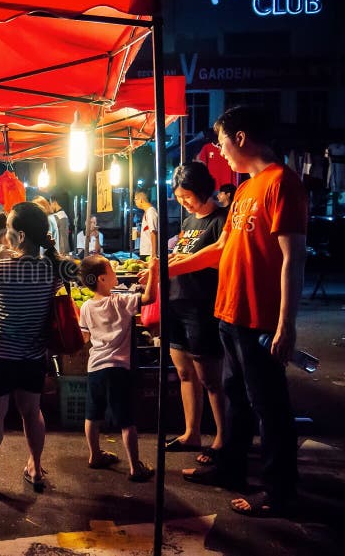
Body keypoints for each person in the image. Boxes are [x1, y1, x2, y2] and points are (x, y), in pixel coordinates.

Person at [171, 105, 307, 517]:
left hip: (259, 318)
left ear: (241, 137)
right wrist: (167, 267)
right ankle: (231, 468)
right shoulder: (246, 188)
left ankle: (280, 491)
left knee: (270, 406)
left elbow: (293, 258)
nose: (220, 150)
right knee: (235, 398)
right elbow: (218, 250)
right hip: (228, 314)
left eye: (221, 140)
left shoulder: (282, 182)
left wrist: (286, 325)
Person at [0, 201, 78, 495]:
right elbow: (75, 271)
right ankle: (35, 468)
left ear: (21, 236)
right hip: (31, 354)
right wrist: (53, 252)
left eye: (10, 229)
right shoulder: (51, 271)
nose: (6, 234)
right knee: (32, 412)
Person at [163, 162, 227, 466]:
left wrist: (181, 262)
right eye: (178, 197)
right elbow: (182, 256)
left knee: (211, 379)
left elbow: (218, 261)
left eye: (187, 196)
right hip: (177, 302)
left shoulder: (220, 221)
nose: (183, 202)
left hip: (202, 306)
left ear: (203, 189)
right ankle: (191, 432)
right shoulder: (189, 220)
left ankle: (222, 437)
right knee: (184, 373)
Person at [79, 254, 158, 482]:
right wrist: (154, 271)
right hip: (118, 369)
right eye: (111, 270)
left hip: (95, 368)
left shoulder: (86, 307)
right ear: (103, 279)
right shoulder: (121, 301)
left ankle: (94, 455)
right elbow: (150, 297)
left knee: (92, 415)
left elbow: (84, 337)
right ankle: (135, 466)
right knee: (126, 420)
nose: (115, 271)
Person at [134, 190, 158, 258]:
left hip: (149, 253)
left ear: (141, 200)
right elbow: (149, 232)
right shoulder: (147, 212)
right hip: (145, 251)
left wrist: (154, 254)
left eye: (135, 199)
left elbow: (154, 233)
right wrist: (140, 234)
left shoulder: (151, 212)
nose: (135, 202)